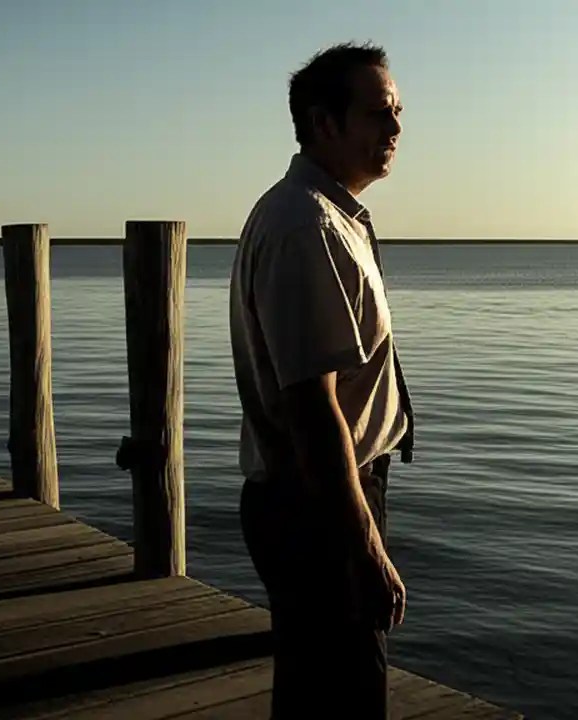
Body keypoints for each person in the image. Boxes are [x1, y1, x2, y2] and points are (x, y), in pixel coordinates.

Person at [228, 41, 414, 719]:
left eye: (397, 111)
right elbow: (312, 405)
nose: (396, 127)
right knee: (344, 697)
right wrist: (363, 547)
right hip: (319, 506)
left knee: (315, 693)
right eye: (378, 112)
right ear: (323, 122)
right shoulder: (306, 227)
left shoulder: (326, 216)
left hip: (321, 498)